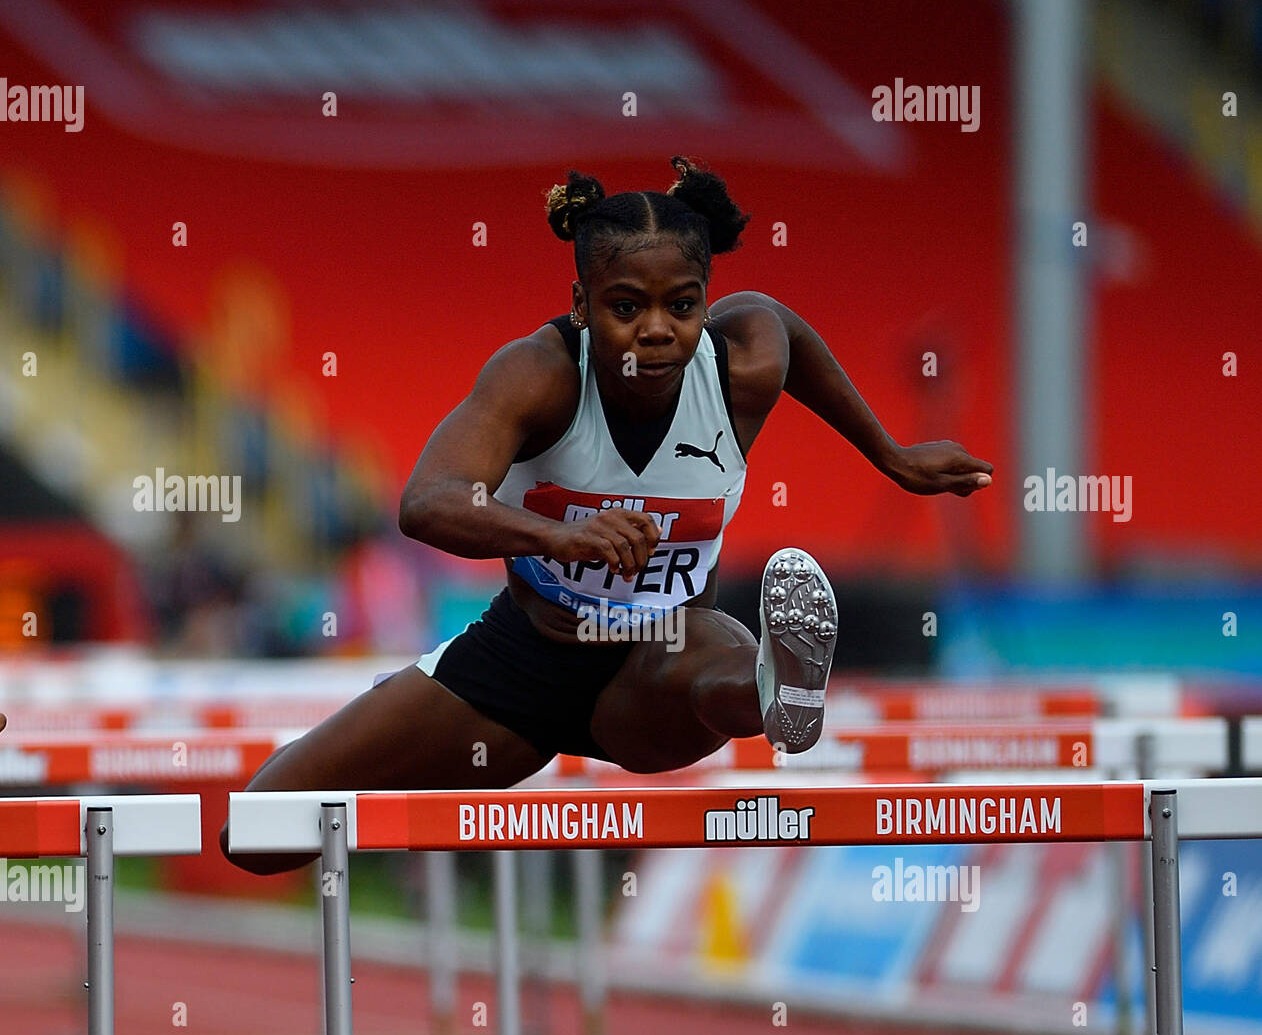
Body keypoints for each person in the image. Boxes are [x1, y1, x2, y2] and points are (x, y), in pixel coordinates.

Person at [219, 157, 992, 875]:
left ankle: (775, 694)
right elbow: (427, 503)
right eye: (627, 307)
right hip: (519, 664)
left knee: (711, 643)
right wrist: (559, 535)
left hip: (658, 664)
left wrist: (889, 454)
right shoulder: (539, 375)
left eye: (682, 306)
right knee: (258, 831)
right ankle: (395, 810)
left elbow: (783, 328)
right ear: (582, 304)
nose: (657, 330)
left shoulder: (739, 366)